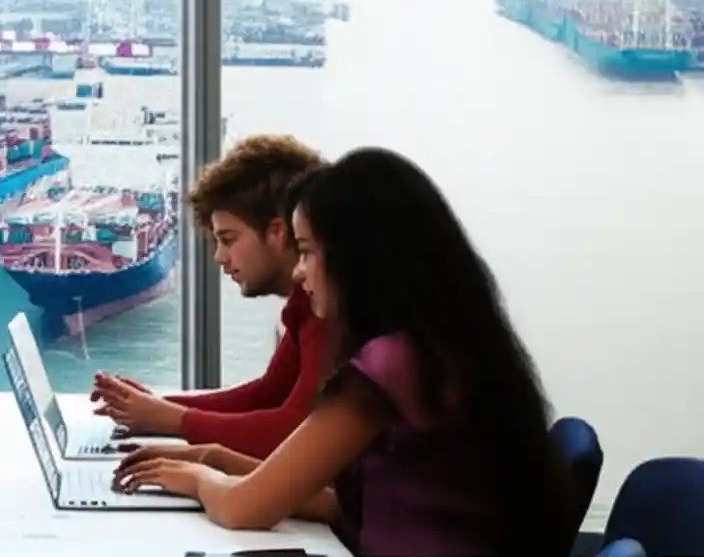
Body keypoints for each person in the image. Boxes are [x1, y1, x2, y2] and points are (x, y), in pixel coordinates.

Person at [113, 148, 577, 555]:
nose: (299, 272)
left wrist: (196, 480)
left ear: (358, 257)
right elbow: (344, 503)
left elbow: (243, 509)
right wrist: (211, 460)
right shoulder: (447, 348)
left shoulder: (389, 368)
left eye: (307, 252)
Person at [90, 134, 327, 458]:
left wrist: (172, 419)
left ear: (277, 232)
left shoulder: (328, 312)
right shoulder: (307, 304)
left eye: (228, 240)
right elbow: (268, 394)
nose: (219, 257)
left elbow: (291, 432)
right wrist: (154, 407)